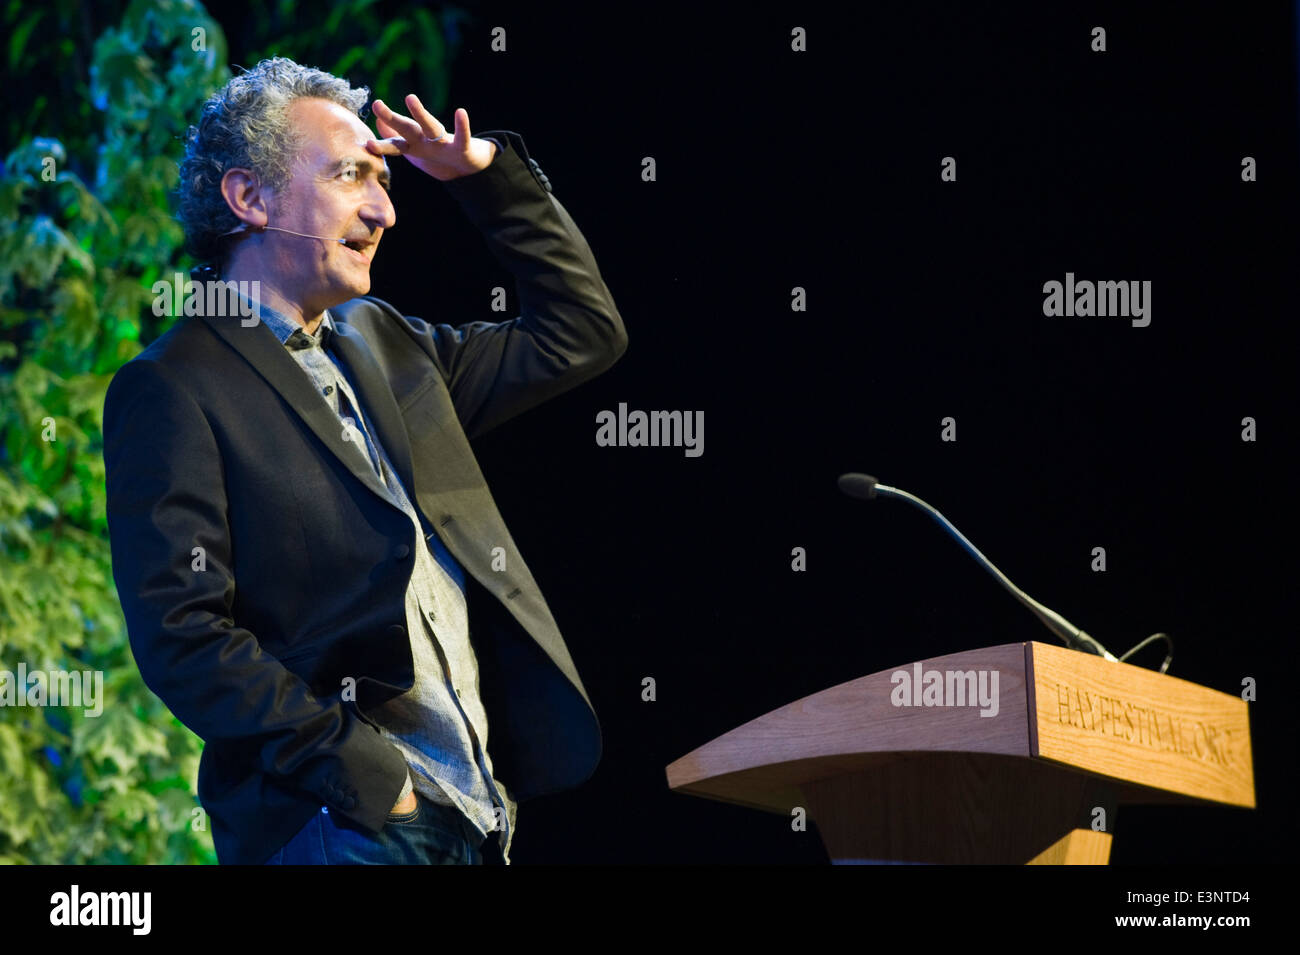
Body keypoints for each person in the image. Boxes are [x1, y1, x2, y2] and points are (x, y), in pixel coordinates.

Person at [102, 57, 625, 865]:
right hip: (341, 825)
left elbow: (582, 332)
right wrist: (366, 775)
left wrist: (488, 180)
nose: (383, 209)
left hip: (479, 815)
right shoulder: (173, 386)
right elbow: (183, 633)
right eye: (351, 175)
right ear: (249, 199)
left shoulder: (389, 343)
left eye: (383, 180)